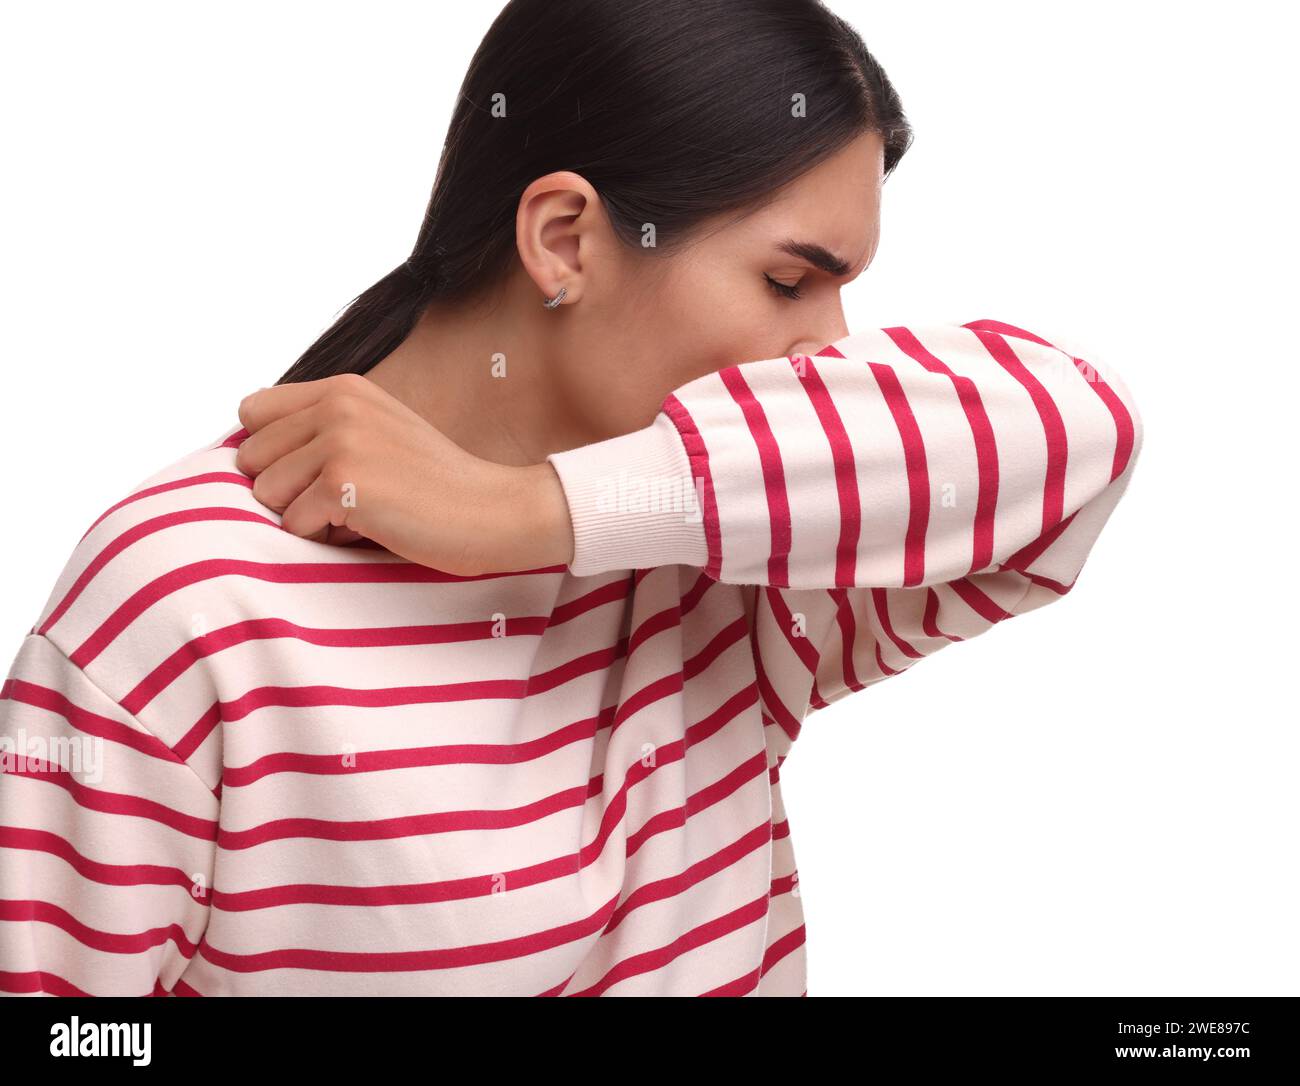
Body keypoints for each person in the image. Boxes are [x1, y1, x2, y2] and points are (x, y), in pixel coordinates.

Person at [0, 0, 1142, 996]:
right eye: (789, 281)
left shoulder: (729, 553)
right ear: (563, 240)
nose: (829, 347)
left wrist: (518, 514)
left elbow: (1084, 425)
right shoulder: (181, 601)